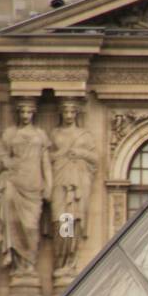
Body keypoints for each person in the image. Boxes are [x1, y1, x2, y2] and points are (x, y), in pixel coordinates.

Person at [0, 99, 52, 278]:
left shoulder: (41, 135)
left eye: (28, 112)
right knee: (15, 224)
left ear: (33, 113)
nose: (25, 115)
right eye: (22, 112)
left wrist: (49, 185)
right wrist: (5, 161)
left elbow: (46, 163)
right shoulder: (10, 134)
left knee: (31, 227)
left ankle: (30, 263)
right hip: (15, 184)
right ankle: (20, 267)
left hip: (34, 186)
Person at [50, 100, 98, 279]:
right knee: (62, 220)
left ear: (76, 113)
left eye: (72, 112)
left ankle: (70, 261)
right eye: (66, 112)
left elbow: (94, 159)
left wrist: (80, 154)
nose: (69, 115)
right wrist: (61, 155)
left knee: (72, 220)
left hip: (78, 183)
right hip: (60, 182)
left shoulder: (84, 135)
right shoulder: (54, 134)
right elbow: (46, 159)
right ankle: (61, 261)